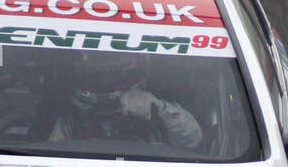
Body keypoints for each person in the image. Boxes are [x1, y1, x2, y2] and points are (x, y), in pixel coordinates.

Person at [49, 52, 203, 150]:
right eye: (96, 74)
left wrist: (159, 109)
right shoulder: (70, 121)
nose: (105, 81)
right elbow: (52, 156)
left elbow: (192, 140)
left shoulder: (156, 112)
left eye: (114, 73)